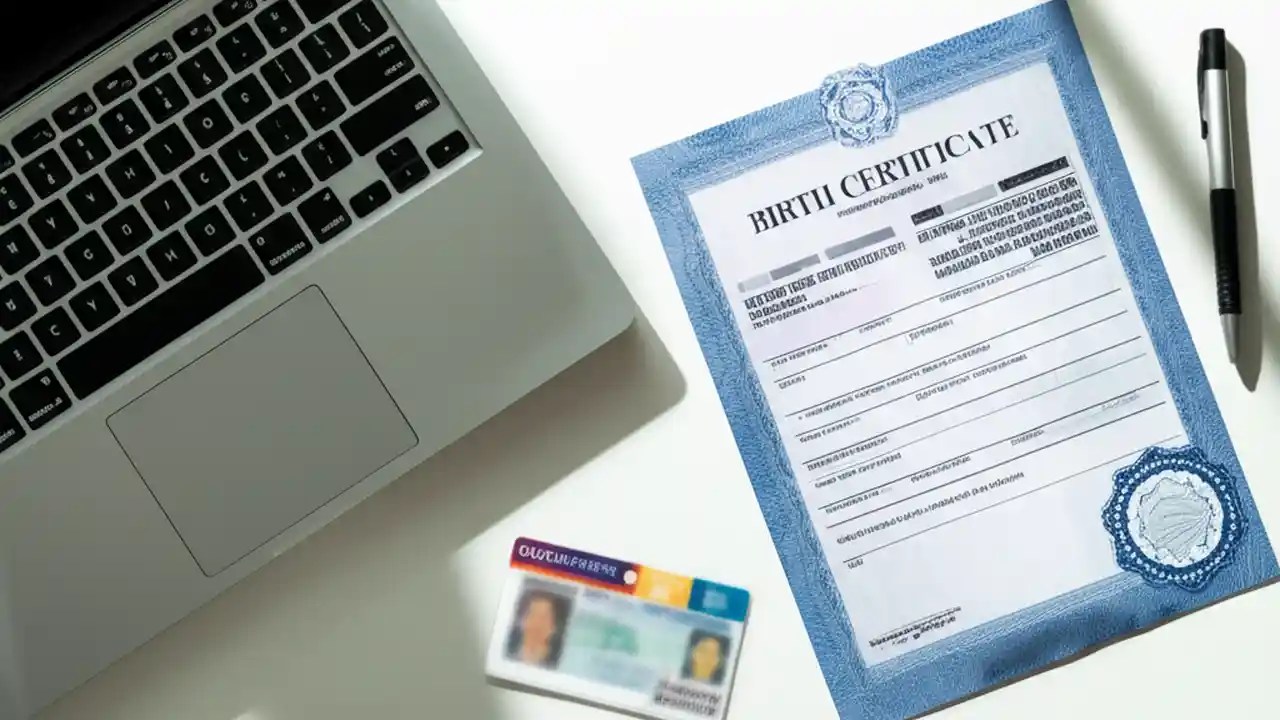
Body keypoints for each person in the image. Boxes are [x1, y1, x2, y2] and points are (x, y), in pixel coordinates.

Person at [505, 589, 571, 669]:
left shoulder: (557, 664)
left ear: (553, 627)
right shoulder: (507, 653)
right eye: (533, 615)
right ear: (522, 622)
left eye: (544, 618)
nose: (537, 623)